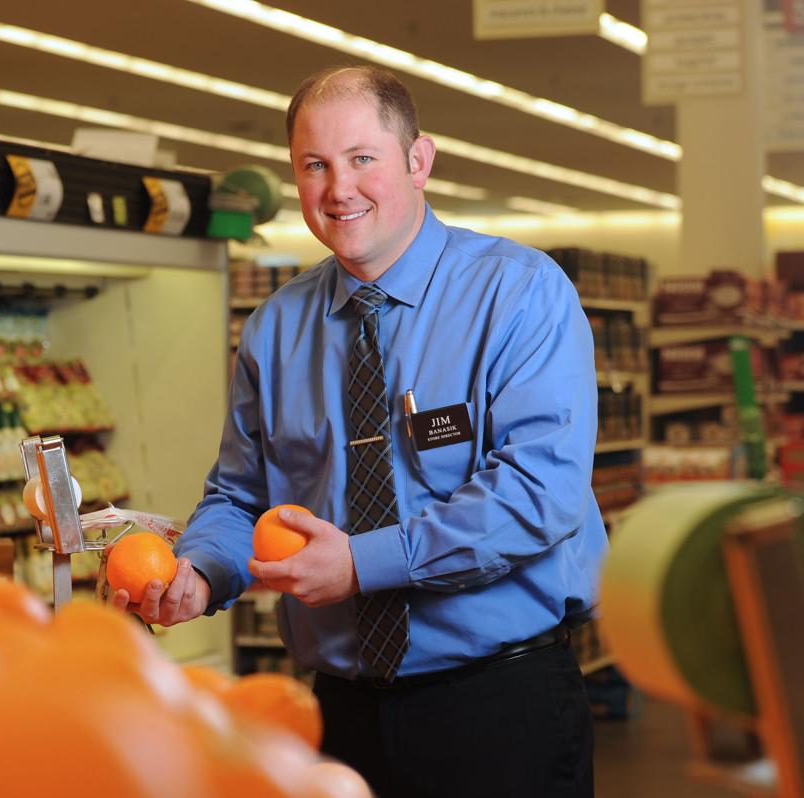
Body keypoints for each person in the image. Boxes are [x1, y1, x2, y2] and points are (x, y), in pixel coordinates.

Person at [111, 64, 605, 798]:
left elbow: (541, 492)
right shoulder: (277, 327)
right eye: (314, 166)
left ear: (418, 161)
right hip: (337, 714)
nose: (338, 189)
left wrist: (364, 562)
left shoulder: (519, 293)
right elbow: (240, 496)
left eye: (361, 159)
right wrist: (200, 573)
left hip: (501, 707)